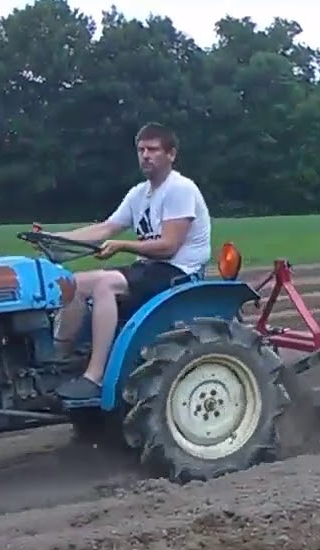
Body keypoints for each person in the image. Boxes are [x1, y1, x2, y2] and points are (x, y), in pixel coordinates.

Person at [51, 122, 212, 401]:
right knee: (69, 283)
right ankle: (58, 362)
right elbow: (105, 229)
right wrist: (55, 238)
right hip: (149, 268)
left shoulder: (180, 189)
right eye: (141, 150)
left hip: (177, 271)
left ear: (171, 154)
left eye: (153, 149)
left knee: (105, 284)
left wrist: (122, 245)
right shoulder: (139, 193)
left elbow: (168, 247)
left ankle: (95, 376)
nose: (146, 155)